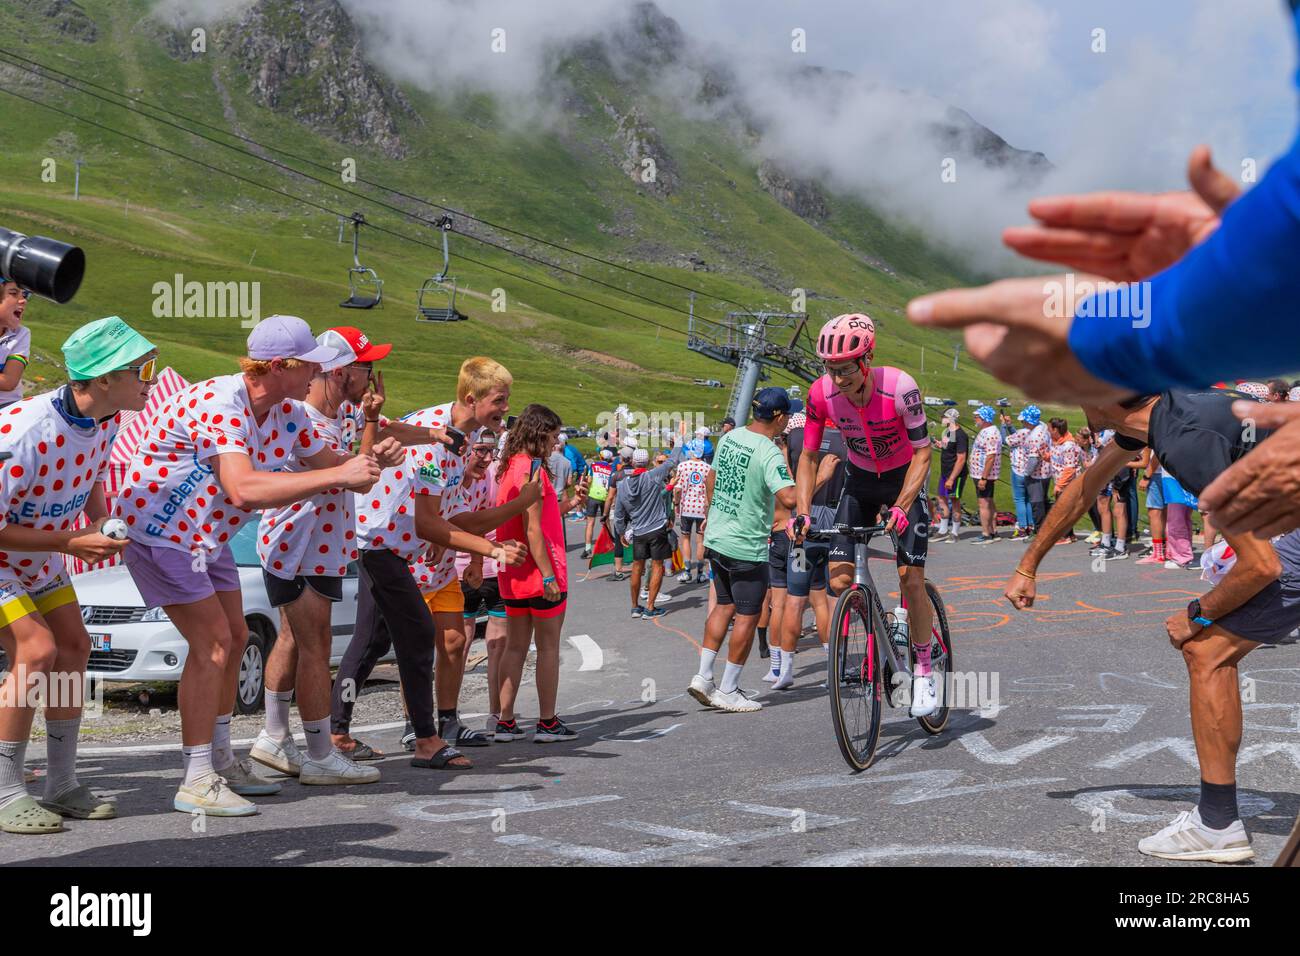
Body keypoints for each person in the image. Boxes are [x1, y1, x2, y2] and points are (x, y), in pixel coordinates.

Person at [1005, 387, 1298, 863]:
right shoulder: (1157, 420)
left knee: (1205, 648)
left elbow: (1261, 566)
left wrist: (1195, 614)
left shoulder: (1184, 438)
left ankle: (1217, 824)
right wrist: (1028, 564)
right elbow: (1084, 487)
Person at [115, 315, 390, 817]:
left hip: (208, 536)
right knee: (214, 644)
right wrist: (342, 473)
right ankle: (197, 777)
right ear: (280, 366)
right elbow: (244, 487)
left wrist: (367, 464)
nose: (318, 373)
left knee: (237, 638)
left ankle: (221, 760)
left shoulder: (287, 412)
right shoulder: (222, 403)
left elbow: (337, 470)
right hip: (160, 530)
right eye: (310, 364)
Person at [249, 326, 454, 782]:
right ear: (341, 372)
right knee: (316, 645)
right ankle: (322, 753)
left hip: (313, 542)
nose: (374, 375)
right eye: (367, 367)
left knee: (291, 639)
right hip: (299, 542)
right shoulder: (308, 416)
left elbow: (378, 439)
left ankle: (273, 736)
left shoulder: (338, 411)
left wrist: (432, 434)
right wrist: (372, 436)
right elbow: (356, 476)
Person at [332, 356, 533, 760]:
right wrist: (492, 549)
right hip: (381, 542)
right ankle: (422, 739)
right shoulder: (441, 444)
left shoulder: (458, 437)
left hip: (392, 547)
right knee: (417, 634)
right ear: (471, 398)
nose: (505, 408)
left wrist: (485, 538)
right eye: (499, 400)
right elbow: (428, 524)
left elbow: (451, 517)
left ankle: (339, 731)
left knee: (374, 641)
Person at [0, 317, 155, 834]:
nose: (150, 379)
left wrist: (100, 520)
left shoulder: (107, 418)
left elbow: (90, 473)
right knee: (36, 650)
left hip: (36, 556)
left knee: (74, 647)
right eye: (142, 369)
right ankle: (4, 790)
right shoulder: (23, 432)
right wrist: (70, 541)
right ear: (105, 378)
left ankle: (61, 782)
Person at [791, 314, 937, 716]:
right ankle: (886, 632)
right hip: (859, 482)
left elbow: (924, 453)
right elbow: (808, 456)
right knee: (839, 581)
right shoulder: (820, 395)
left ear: (866, 359)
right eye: (830, 369)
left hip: (902, 480)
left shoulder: (900, 388)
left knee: (910, 579)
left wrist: (904, 505)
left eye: (845, 369)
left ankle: (923, 672)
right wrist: (802, 512)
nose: (837, 378)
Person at [688, 388, 796, 713]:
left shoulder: (730, 437)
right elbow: (789, 498)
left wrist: (711, 514)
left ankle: (703, 676)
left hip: (718, 536)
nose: (789, 422)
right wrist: (812, 478)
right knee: (747, 617)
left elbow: (712, 478)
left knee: (723, 606)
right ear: (778, 417)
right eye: (788, 416)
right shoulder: (770, 451)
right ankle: (729, 689)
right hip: (747, 544)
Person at [495, 404, 588, 741]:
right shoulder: (533, 468)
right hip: (540, 569)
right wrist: (549, 576)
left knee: (515, 647)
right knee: (548, 647)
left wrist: (571, 503)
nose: (555, 443)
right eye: (551, 436)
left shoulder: (508, 467)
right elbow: (534, 529)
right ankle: (547, 722)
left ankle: (505, 721)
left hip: (513, 570)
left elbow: (541, 513)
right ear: (538, 435)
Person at [771, 411, 844, 689]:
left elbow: (791, 486)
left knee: (795, 599)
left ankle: (786, 669)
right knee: (830, 600)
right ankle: (834, 665)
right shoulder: (847, 440)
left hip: (804, 531)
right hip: (837, 529)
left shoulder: (799, 438)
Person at [456, 432, 510, 733]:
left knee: (457, 647)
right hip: (491, 564)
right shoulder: (496, 474)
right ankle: (497, 715)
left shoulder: (461, 473)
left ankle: (449, 714)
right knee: (497, 645)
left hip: (461, 567)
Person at [612, 437, 685, 620]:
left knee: (638, 566)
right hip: (656, 528)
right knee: (657, 565)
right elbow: (671, 462)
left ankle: (635, 606)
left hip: (638, 531)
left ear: (632, 461)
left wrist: (621, 532)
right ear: (646, 463)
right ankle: (650, 607)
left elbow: (619, 513)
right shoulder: (653, 475)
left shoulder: (623, 485)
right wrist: (678, 443)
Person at [673, 439, 711, 584]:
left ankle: (687, 571)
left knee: (685, 539)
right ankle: (700, 573)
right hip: (702, 508)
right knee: (700, 540)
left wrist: (676, 503)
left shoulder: (683, 466)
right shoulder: (707, 468)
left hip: (686, 507)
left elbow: (678, 488)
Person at [968, 405, 1003, 543]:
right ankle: (993, 531)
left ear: (985, 418)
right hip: (980, 473)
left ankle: (986, 533)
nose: (975, 419)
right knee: (988, 501)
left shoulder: (990, 433)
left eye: (977, 417)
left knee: (983, 503)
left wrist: (983, 477)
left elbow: (990, 456)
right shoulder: (986, 431)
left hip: (983, 474)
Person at [933, 408, 967, 542]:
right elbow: (949, 447)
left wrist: (952, 478)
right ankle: (943, 530)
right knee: (941, 499)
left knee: (954, 501)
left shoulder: (961, 435)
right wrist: (941, 444)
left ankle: (955, 532)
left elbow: (961, 458)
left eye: (944, 417)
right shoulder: (947, 431)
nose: (942, 419)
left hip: (955, 474)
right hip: (945, 471)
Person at [1047, 417, 1082, 545]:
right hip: (1059, 480)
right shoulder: (1055, 441)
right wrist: (1045, 456)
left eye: (1049, 428)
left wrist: (1059, 485)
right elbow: (1055, 457)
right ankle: (1070, 534)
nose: (1047, 430)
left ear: (1055, 429)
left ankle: (1065, 536)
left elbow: (1070, 468)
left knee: (1063, 510)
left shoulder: (1068, 445)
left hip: (1067, 482)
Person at [0, 275, 31, 407]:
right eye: (14, 293)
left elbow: (9, 382)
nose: (23, 300)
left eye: (24, 295)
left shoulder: (21, 334)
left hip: (6, 407)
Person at [1004, 409, 1036, 538]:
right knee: (1028, 499)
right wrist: (1010, 426)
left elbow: (1004, 440)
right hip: (1030, 470)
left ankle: (1022, 527)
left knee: (1019, 499)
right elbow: (1017, 437)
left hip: (1018, 469)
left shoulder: (1023, 432)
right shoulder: (1036, 431)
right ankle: (1031, 525)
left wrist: (1003, 426)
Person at [1136, 449, 1168, 566]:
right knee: (1165, 512)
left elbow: (1158, 455)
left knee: (1154, 512)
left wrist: (1146, 476)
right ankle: (1165, 548)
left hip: (1157, 473)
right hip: (1169, 473)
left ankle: (1157, 553)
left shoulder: (1158, 432)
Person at [583, 447, 614, 559]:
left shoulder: (594, 465)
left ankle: (587, 549)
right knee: (606, 522)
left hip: (593, 495)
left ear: (600, 457)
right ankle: (610, 545)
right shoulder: (611, 468)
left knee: (590, 522)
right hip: (606, 497)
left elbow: (589, 480)